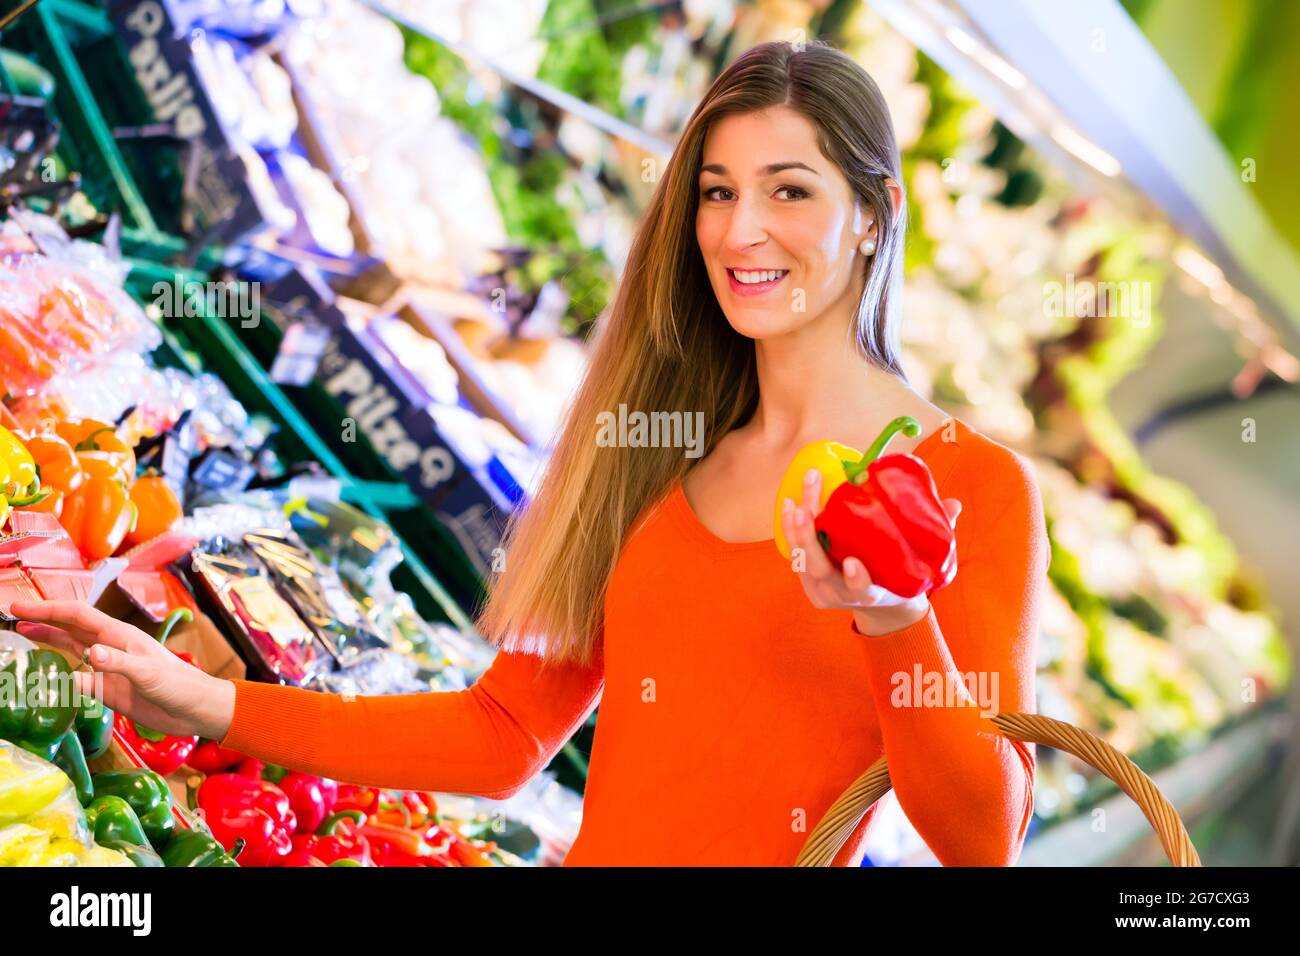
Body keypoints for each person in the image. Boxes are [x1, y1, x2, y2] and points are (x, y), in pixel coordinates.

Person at [12, 39, 1049, 867]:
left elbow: (981, 840)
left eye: (789, 190)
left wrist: (893, 614)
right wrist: (203, 700)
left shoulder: (969, 487)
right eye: (716, 191)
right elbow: (502, 733)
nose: (740, 232)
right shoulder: (653, 443)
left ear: (874, 216)